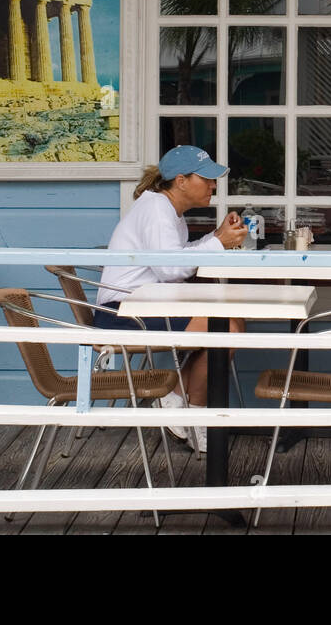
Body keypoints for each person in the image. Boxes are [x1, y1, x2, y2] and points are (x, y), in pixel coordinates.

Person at [94, 145, 249, 449]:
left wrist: (216, 237)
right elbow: (170, 268)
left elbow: (175, 257)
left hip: (142, 305)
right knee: (227, 330)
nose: (213, 185)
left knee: (234, 324)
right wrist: (219, 243)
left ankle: (177, 398)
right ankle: (194, 414)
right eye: (206, 179)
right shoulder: (156, 209)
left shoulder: (166, 209)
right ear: (181, 181)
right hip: (122, 314)